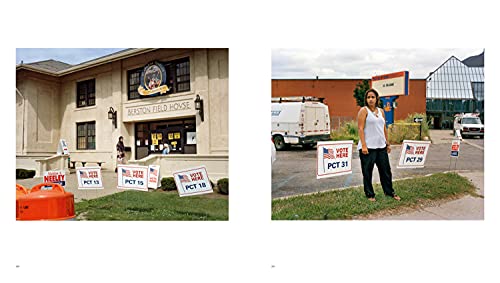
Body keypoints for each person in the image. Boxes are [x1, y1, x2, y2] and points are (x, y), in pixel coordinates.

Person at [357, 89, 400, 202]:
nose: (370, 99)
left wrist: (387, 143)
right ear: (366, 99)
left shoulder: (381, 111)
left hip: (381, 147)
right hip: (368, 148)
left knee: (386, 171)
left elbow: (383, 128)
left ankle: (389, 192)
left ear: (377, 99)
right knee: (367, 172)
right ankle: (370, 194)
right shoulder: (364, 110)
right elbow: (360, 128)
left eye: (373, 97)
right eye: (368, 97)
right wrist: (364, 145)